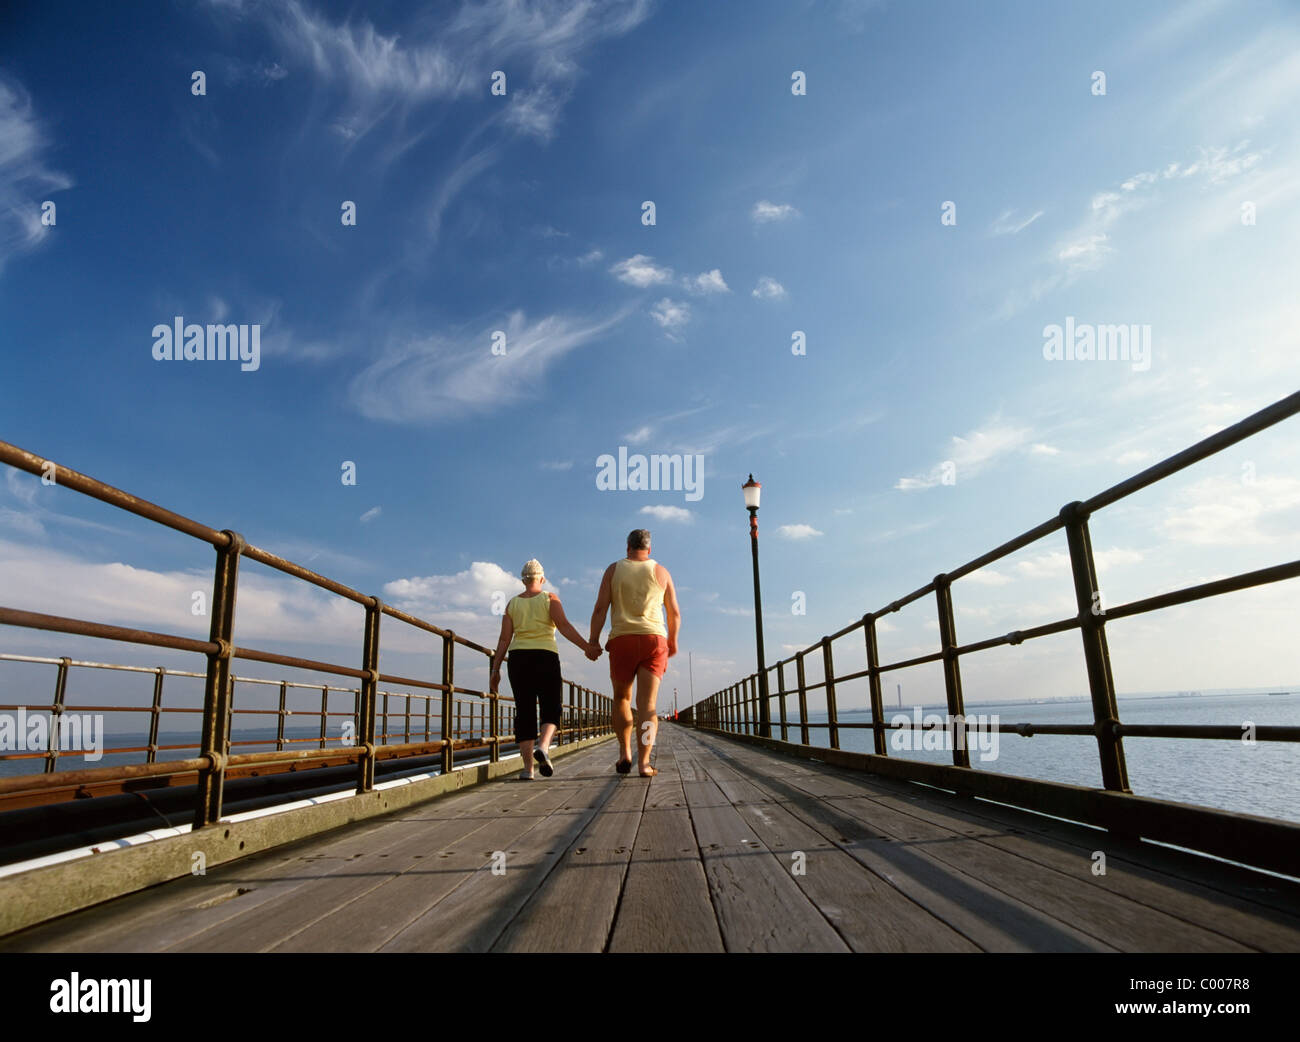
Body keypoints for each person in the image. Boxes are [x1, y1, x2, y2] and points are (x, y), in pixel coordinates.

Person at [490, 560, 599, 780]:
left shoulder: (511, 604)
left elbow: (504, 639)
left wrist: (496, 669)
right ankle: (544, 747)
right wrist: (587, 648)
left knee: (525, 711)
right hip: (545, 656)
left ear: (523, 580)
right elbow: (565, 626)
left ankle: (527, 769)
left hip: (518, 659)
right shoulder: (550, 598)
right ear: (542, 579)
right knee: (551, 707)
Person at [587, 529, 680, 778]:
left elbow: (600, 609)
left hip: (622, 639)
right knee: (648, 706)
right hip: (654, 639)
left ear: (627, 547)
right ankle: (645, 763)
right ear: (649, 549)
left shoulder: (613, 570)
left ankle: (624, 752)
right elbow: (674, 613)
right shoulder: (661, 571)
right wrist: (673, 641)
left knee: (621, 700)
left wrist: (593, 641)